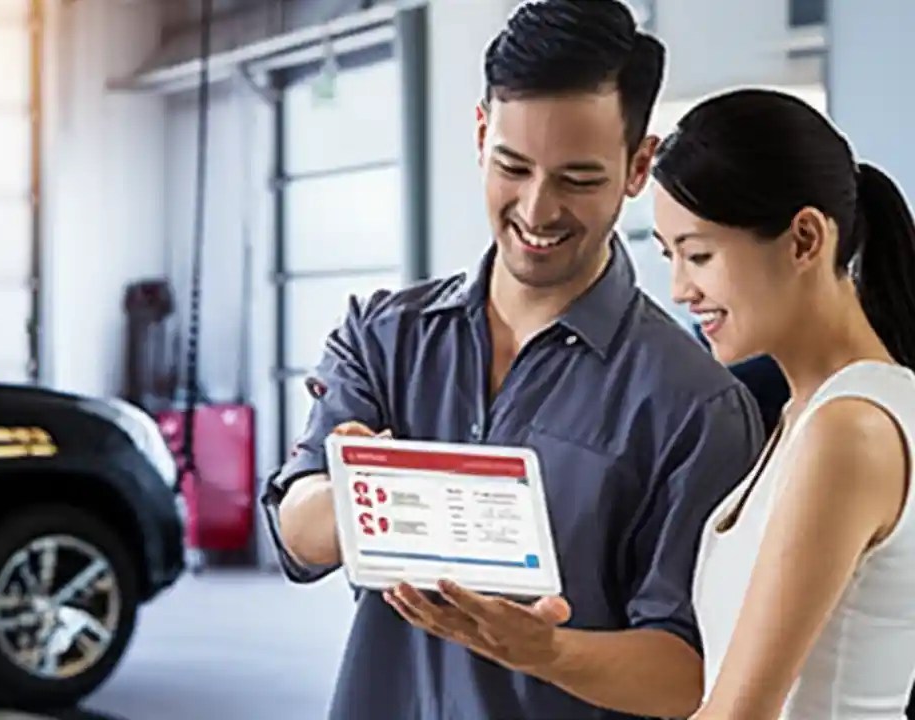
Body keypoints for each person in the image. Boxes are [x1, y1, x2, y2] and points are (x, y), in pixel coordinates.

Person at [260, 2, 765, 718]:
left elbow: (689, 673)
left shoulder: (694, 404)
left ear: (638, 166)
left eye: (578, 179)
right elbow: (297, 534)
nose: (536, 209)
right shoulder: (385, 335)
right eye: (513, 166)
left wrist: (546, 651)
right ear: (479, 135)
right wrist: (361, 491)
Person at [651, 87, 915, 718]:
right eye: (670, 256)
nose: (681, 289)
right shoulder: (810, 415)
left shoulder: (851, 429)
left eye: (699, 255)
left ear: (803, 239)